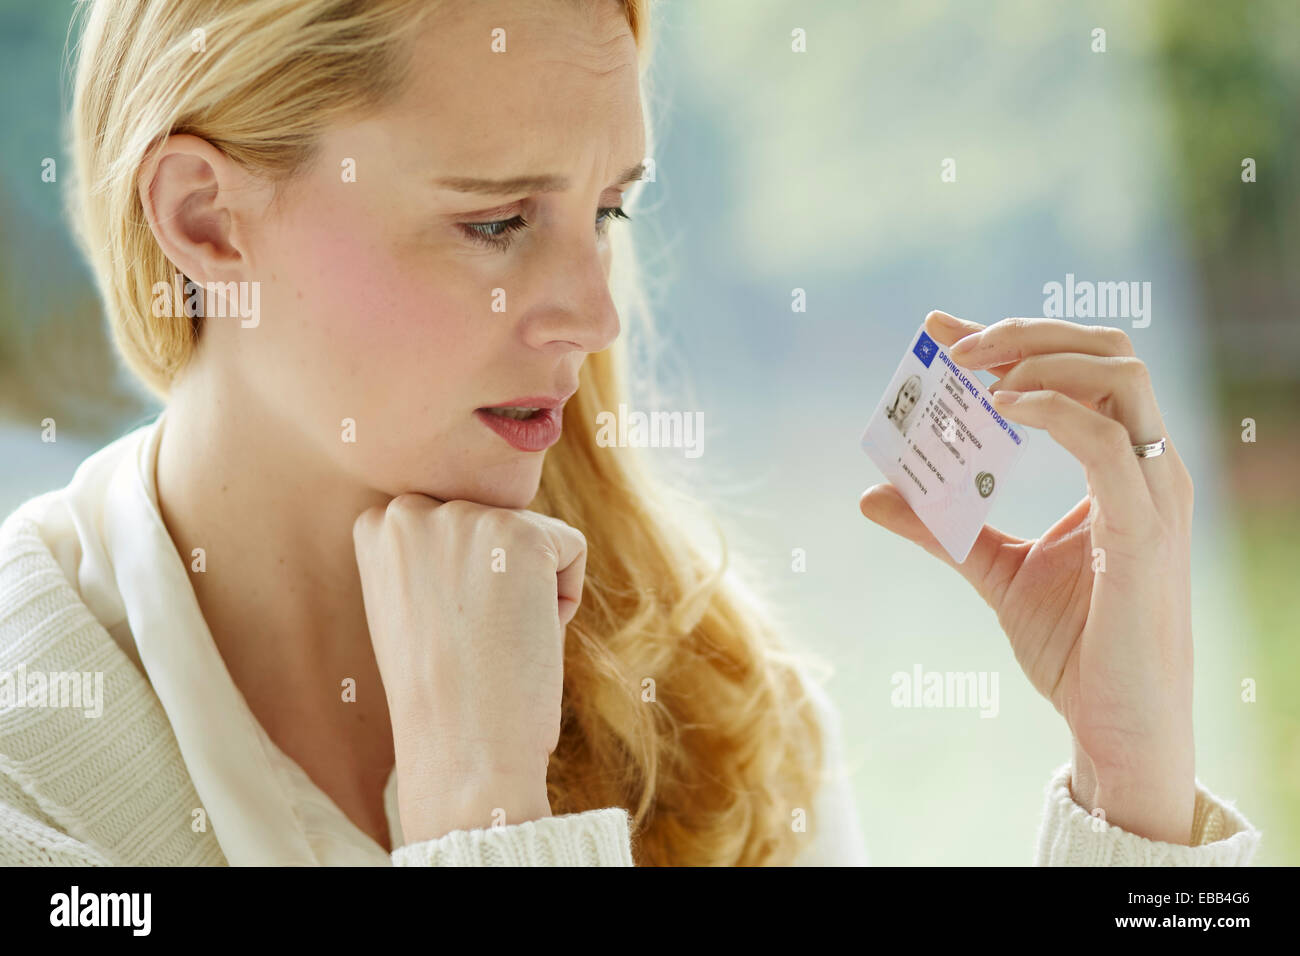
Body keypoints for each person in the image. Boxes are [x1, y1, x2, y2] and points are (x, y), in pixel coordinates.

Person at [0, 0, 1259, 866]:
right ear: (208, 221)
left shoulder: (710, 694)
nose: (597, 311)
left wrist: (1130, 785)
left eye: (607, 209)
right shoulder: (31, 766)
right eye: (496, 222)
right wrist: (480, 818)